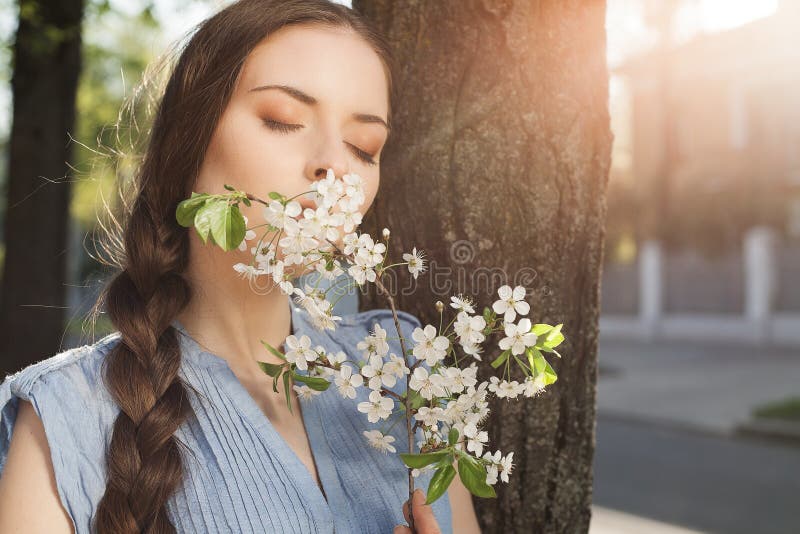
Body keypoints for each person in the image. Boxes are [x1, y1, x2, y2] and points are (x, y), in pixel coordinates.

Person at [0, 1, 482, 533]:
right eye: (283, 120)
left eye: (364, 148)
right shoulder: (66, 415)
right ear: (189, 142)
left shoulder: (406, 367)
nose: (334, 164)